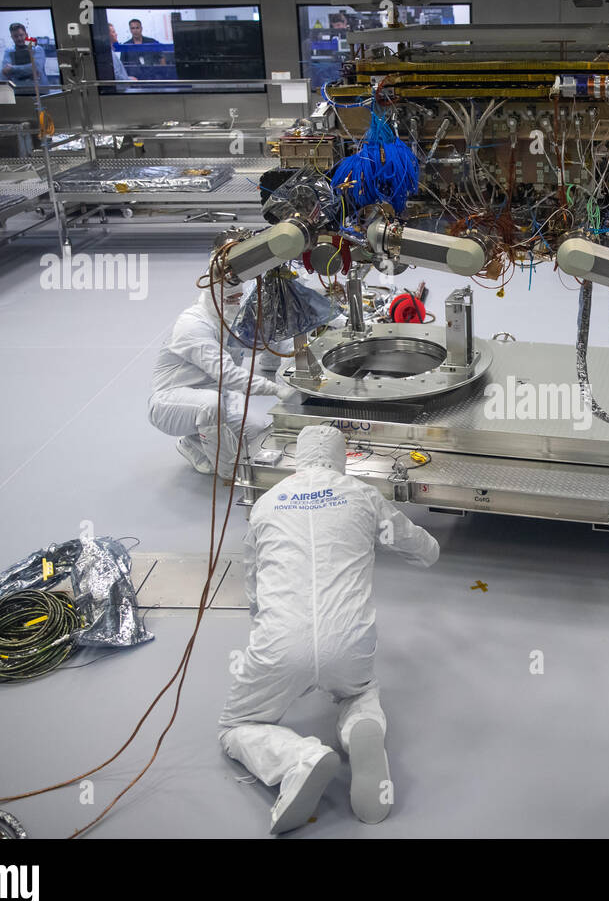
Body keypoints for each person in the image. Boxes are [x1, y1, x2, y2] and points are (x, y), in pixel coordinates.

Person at [218, 426, 440, 833]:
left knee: (237, 727)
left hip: (280, 644)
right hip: (350, 643)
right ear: (341, 459)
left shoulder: (267, 504)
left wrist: (266, 632)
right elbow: (418, 545)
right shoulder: (360, 495)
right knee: (359, 690)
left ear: (299, 459)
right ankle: (360, 728)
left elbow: (253, 584)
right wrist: (430, 550)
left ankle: (297, 760)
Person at [147, 277, 287, 479]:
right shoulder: (193, 325)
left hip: (218, 397)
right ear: (214, 295)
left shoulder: (228, 320)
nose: (236, 303)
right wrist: (276, 389)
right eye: (231, 298)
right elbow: (227, 374)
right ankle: (229, 472)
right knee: (209, 406)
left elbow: (255, 346)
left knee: (256, 432)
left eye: (239, 297)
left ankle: (195, 439)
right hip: (170, 401)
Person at [1, 23, 47, 88]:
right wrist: (29, 69)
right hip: (19, 90)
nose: (19, 39)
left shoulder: (37, 48)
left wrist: (12, 68)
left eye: (21, 35)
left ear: (26, 35)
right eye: (15, 36)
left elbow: (36, 68)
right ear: (12, 37)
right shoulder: (9, 51)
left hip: (40, 90)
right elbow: (5, 71)